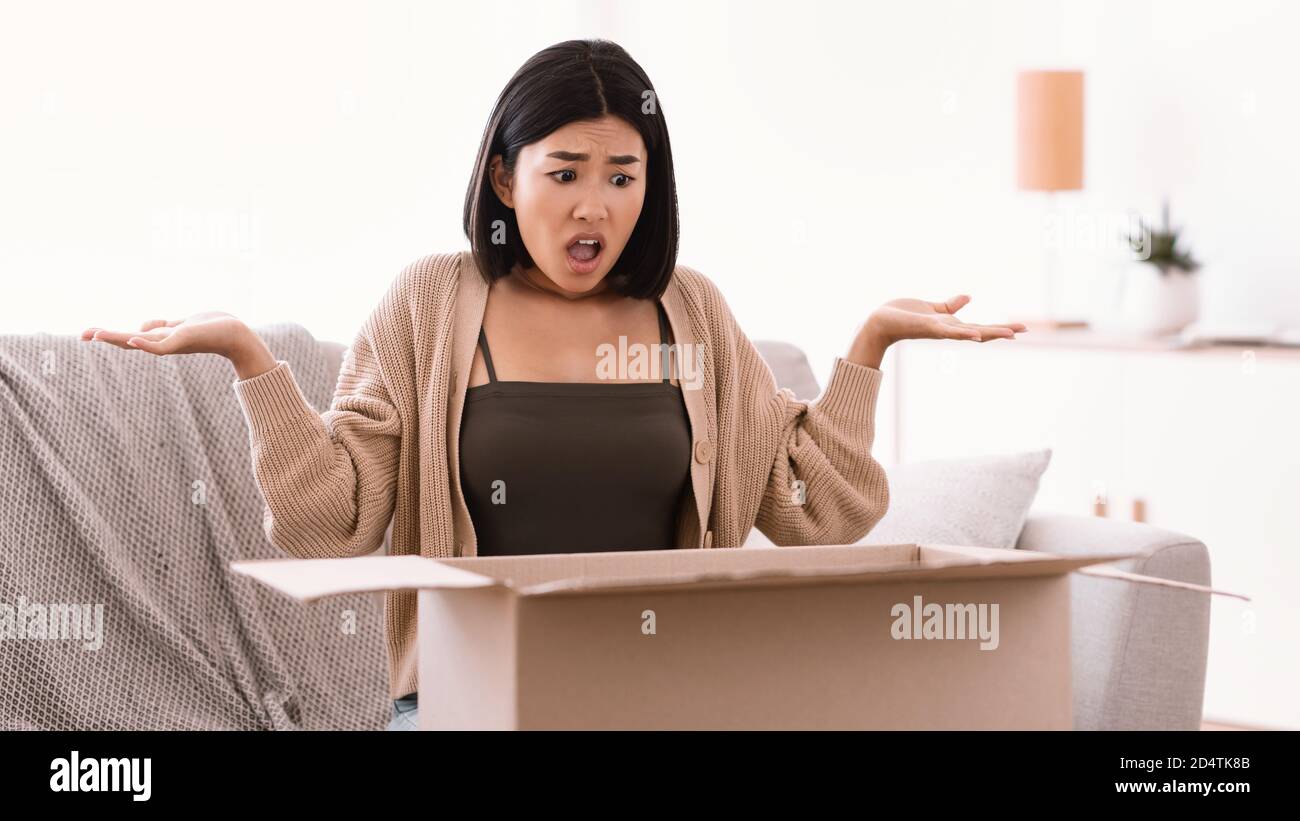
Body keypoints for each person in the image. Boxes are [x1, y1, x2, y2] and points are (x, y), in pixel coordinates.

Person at [81, 39, 1025, 732]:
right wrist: (254, 360)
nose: (594, 205)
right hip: (469, 707)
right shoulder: (429, 303)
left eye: (624, 175)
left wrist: (870, 345)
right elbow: (332, 524)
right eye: (564, 172)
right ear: (503, 177)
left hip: (671, 700)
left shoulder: (689, 312)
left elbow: (817, 511)